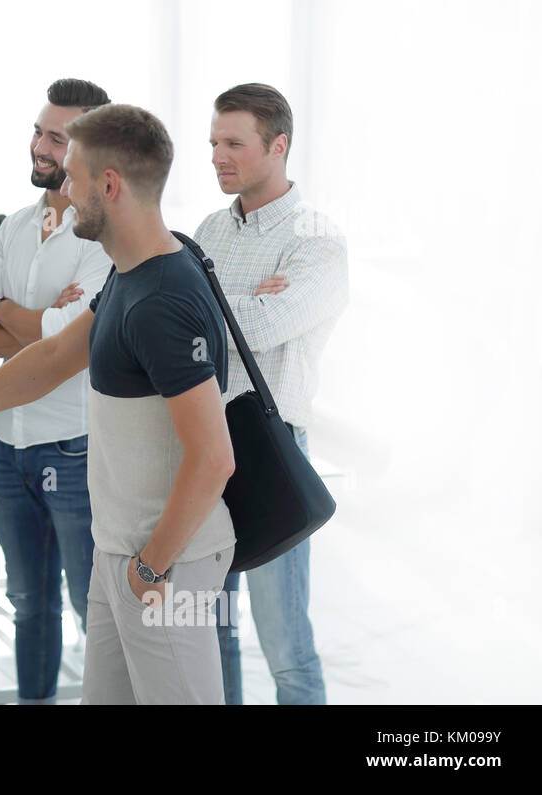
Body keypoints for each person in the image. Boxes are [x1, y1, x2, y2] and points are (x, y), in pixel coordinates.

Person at [0, 104, 237, 704]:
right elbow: (48, 361)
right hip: (121, 550)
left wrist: (150, 568)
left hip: (166, 562)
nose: (63, 189)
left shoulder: (163, 299)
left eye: (72, 176)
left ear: (109, 185)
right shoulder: (129, 275)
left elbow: (214, 458)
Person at [0, 77, 112, 704]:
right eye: (38, 131)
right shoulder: (15, 227)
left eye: (56, 137)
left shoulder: (102, 235)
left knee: (89, 605)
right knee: (27, 605)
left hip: (72, 450)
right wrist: (33, 322)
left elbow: (67, 346)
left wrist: (8, 312)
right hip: (7, 447)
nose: (40, 146)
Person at [196, 83, 348, 705]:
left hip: (270, 447)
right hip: (202, 445)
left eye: (233, 143)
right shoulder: (208, 228)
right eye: (213, 142)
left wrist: (226, 310)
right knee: (213, 629)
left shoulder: (318, 240)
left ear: (278, 146)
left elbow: (257, 331)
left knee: (285, 640)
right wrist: (252, 297)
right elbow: (187, 327)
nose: (217, 156)